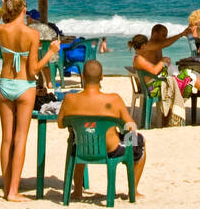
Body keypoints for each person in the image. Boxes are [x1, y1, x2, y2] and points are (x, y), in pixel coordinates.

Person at [0, 0, 61, 200]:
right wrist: (50, 52)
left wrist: (1, 10)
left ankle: (5, 188)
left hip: (5, 84)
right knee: (20, 139)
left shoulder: (2, 30)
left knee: (6, 140)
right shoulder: (32, 34)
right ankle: (13, 191)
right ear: (24, 9)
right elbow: (33, 70)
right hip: (24, 86)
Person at [57, 60, 146, 199]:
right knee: (139, 140)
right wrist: (124, 132)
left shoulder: (70, 99)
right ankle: (133, 190)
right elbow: (131, 125)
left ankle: (77, 191)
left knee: (79, 139)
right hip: (111, 149)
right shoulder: (114, 99)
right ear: (102, 77)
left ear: (83, 77)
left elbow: (60, 124)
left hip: (81, 147)